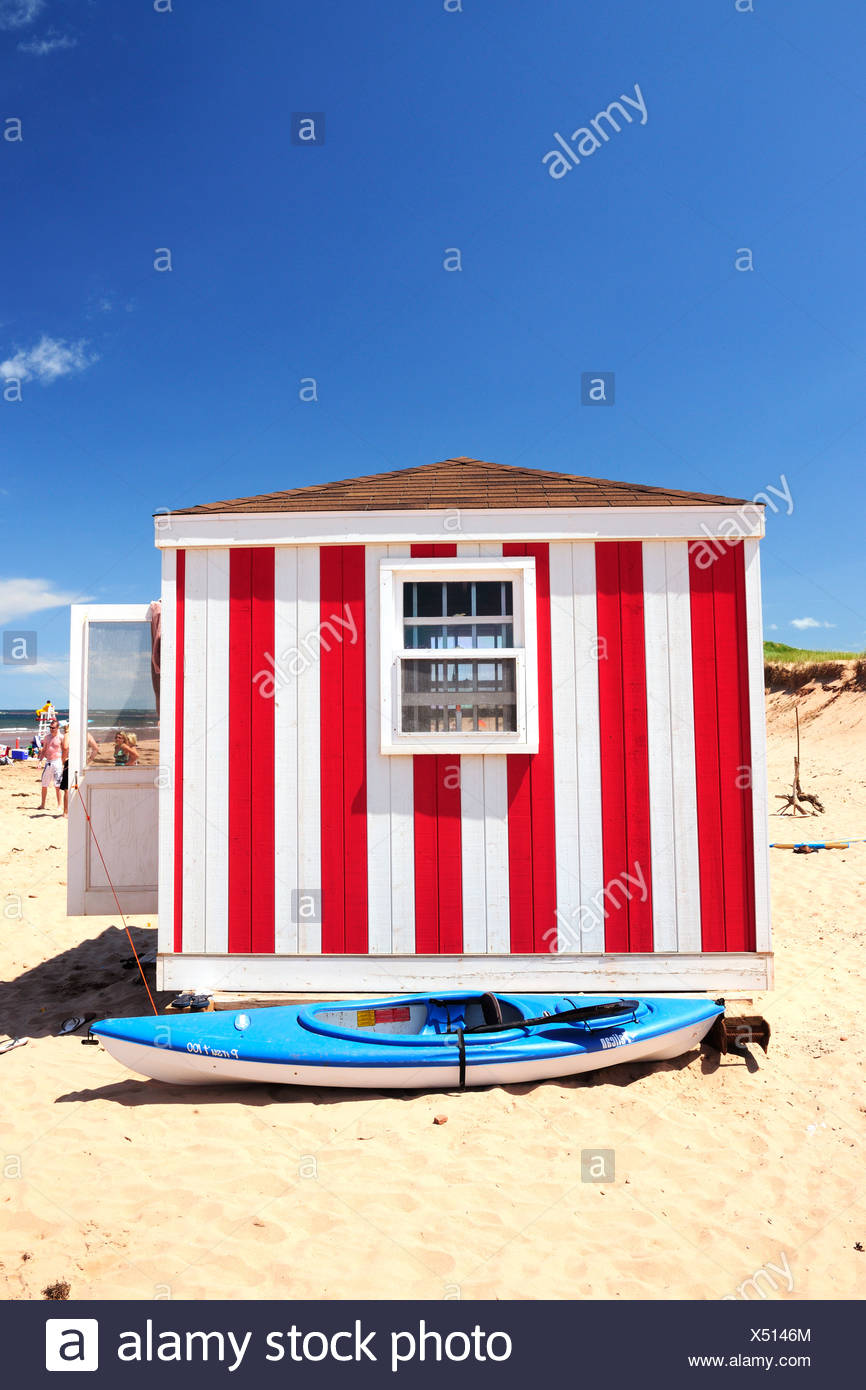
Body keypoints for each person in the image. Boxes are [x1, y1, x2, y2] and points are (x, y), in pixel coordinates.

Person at [38, 716, 63, 811]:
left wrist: (64, 761)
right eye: (50, 728)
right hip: (48, 762)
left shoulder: (61, 737)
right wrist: (40, 761)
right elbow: (44, 750)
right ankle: (43, 804)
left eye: (53, 728)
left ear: (57, 728)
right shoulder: (47, 737)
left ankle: (59, 805)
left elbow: (66, 749)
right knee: (44, 784)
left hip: (57, 762)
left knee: (57, 785)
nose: (51, 729)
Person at [59, 721, 70, 816]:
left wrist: (63, 761)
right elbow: (95, 748)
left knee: (67, 788)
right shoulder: (83, 734)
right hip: (80, 761)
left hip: (70, 761)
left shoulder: (67, 735)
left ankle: (66, 812)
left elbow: (65, 747)